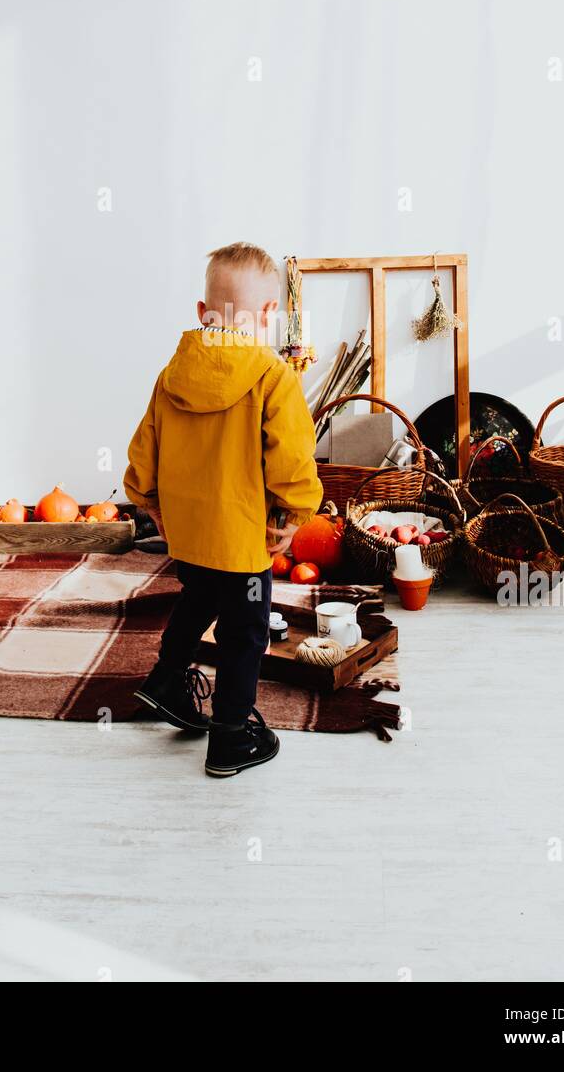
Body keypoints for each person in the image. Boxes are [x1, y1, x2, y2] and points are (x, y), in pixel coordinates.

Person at [124, 242, 322, 776]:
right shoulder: (272, 376)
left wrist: (149, 504)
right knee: (245, 632)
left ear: (201, 312)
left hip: (190, 535)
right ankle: (231, 737)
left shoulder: (171, 375)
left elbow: (144, 451)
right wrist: (297, 513)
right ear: (268, 315)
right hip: (243, 539)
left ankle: (166, 678)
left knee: (199, 595)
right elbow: (292, 461)